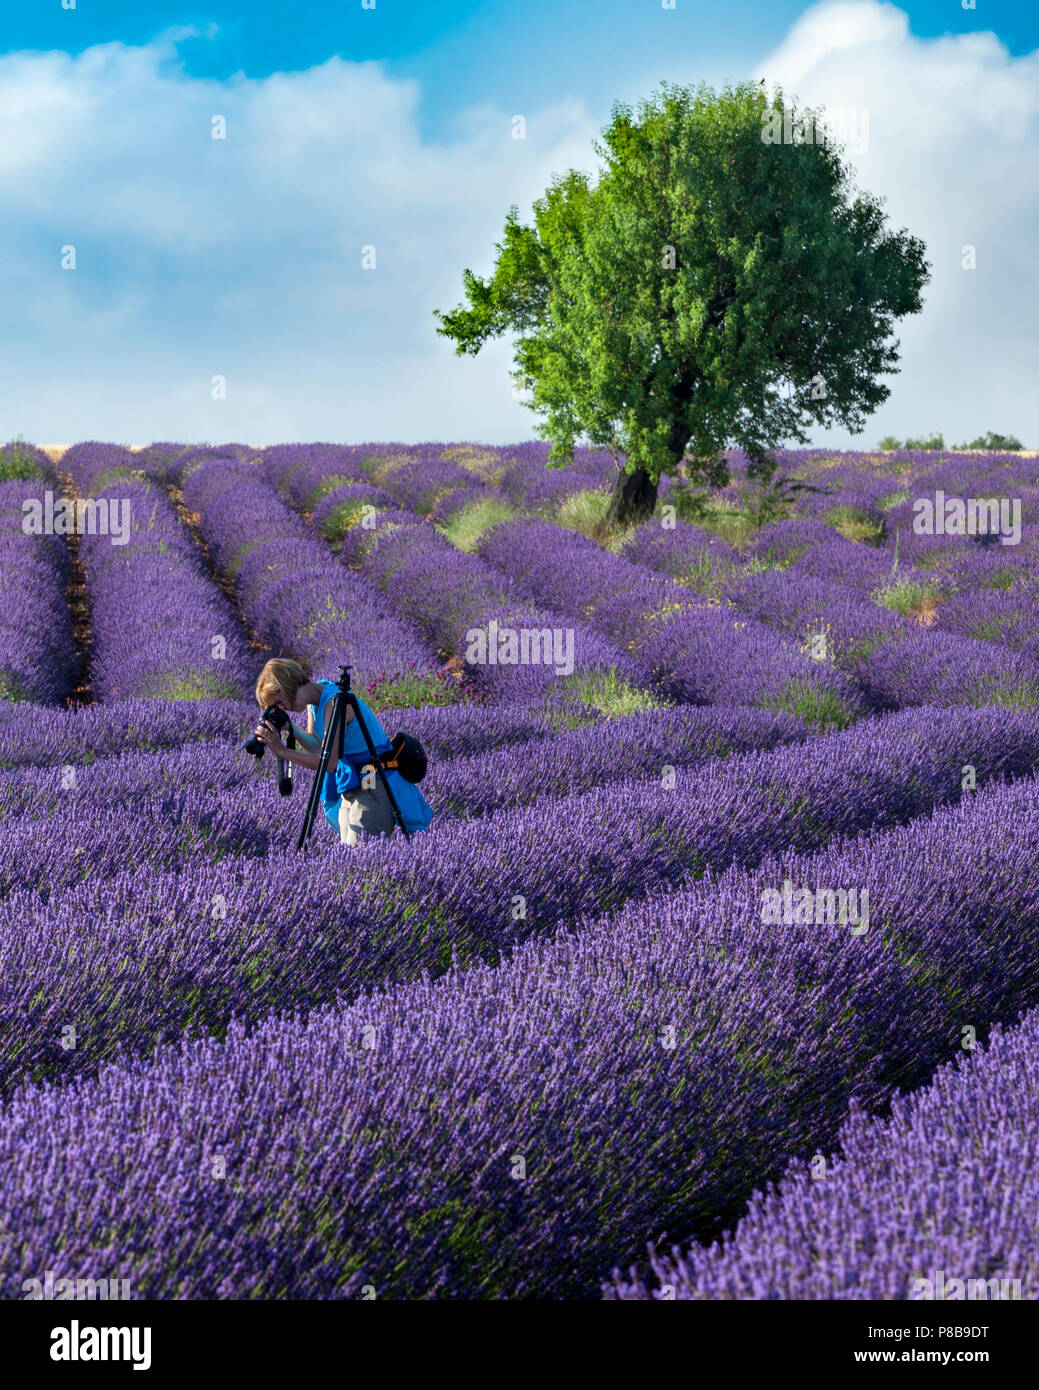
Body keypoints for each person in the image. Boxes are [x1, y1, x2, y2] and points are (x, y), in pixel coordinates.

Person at [252, 657, 433, 846]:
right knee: (348, 855)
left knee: (361, 856)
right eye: (278, 706)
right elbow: (317, 745)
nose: (284, 708)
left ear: (289, 685)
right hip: (353, 785)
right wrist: (290, 727)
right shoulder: (315, 702)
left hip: (373, 783)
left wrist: (282, 751)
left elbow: (328, 763)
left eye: (281, 701)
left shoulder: (335, 703)